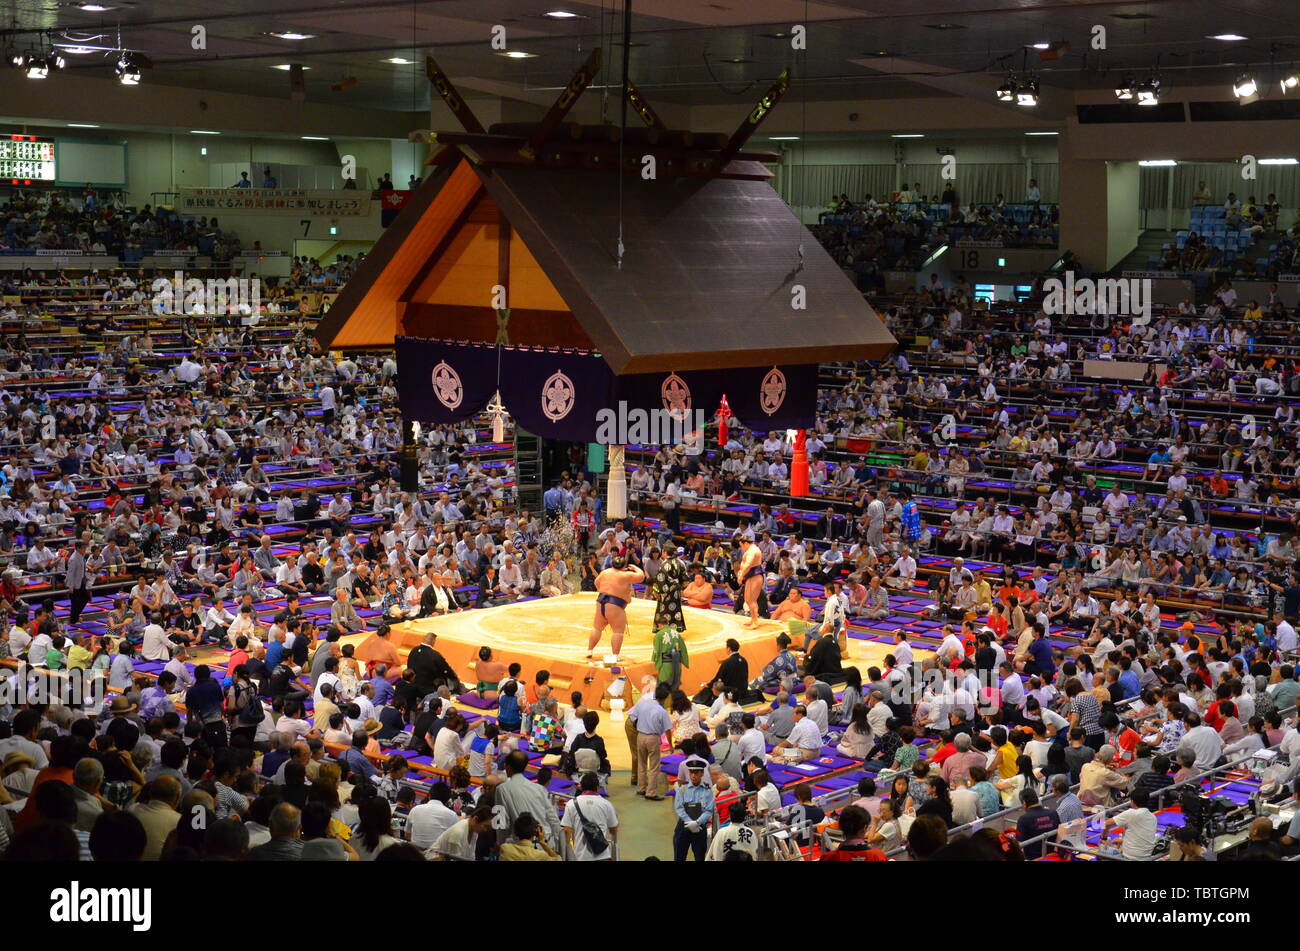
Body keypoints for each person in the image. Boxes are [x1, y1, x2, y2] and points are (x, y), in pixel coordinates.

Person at [588, 557, 645, 659]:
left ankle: (589, 650)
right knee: (618, 631)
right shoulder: (625, 575)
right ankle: (614, 655)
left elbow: (596, 582)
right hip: (615, 606)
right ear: (624, 566)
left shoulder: (605, 572)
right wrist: (635, 567)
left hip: (600, 601)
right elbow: (641, 577)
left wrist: (603, 590)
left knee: (597, 628)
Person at [561, 771, 619, 860]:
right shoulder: (606, 804)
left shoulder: (571, 804)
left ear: (581, 787)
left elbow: (566, 830)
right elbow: (614, 830)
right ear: (597, 787)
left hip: (580, 856)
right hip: (602, 855)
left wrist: (569, 851)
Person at [673, 756, 716, 862]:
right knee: (679, 856)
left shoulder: (707, 790)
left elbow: (708, 810)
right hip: (683, 826)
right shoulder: (682, 789)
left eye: (696, 773)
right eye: (691, 772)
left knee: (700, 856)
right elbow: (679, 808)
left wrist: (697, 822)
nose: (693, 775)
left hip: (699, 828)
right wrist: (689, 822)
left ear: (702, 773)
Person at [1014, 788, 1060, 859]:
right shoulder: (1053, 813)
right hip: (1053, 855)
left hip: (1033, 858)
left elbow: (1019, 843)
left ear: (1024, 803)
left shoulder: (1023, 819)